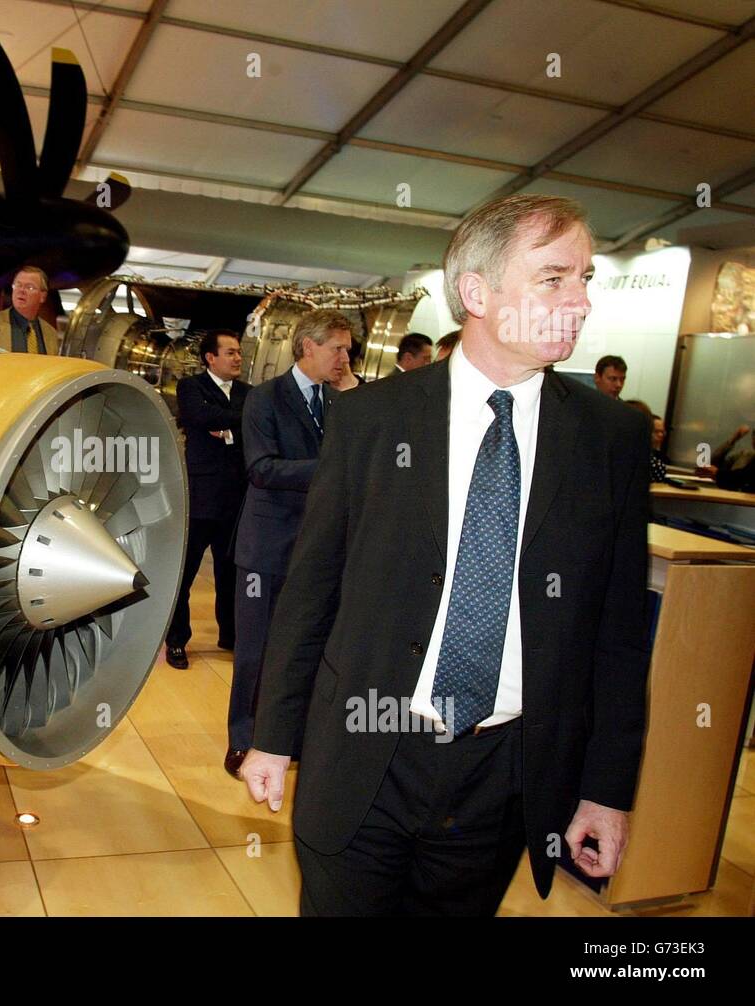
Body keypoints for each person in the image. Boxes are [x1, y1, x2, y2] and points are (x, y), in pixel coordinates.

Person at [242, 192, 650, 916]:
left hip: (505, 776)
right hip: (367, 751)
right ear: (476, 293)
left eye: (586, 279)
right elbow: (313, 591)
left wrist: (605, 790)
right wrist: (272, 737)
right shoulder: (372, 418)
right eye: (554, 278)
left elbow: (616, 635)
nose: (581, 302)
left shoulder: (607, 438)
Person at [226, 310, 350, 778]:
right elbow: (262, 467)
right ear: (307, 348)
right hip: (269, 547)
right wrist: (332, 470)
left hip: (319, 549)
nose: (345, 358)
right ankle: (243, 739)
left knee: (303, 647)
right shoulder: (265, 399)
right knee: (256, 651)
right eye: (336, 348)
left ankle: (290, 739)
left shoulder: (340, 403)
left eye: (348, 349)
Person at [166, 330, 249, 669]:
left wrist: (224, 426)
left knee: (231, 576)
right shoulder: (191, 387)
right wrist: (233, 424)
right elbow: (197, 417)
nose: (237, 358)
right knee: (183, 575)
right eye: (230, 352)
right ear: (210, 358)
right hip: (200, 500)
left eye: (239, 352)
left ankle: (230, 636)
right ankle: (176, 642)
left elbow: (251, 423)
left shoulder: (249, 393)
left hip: (236, 500)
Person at [0, 266, 60, 354]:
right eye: (18, 285)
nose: (21, 290)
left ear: (42, 296)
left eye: (29, 287)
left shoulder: (50, 333)